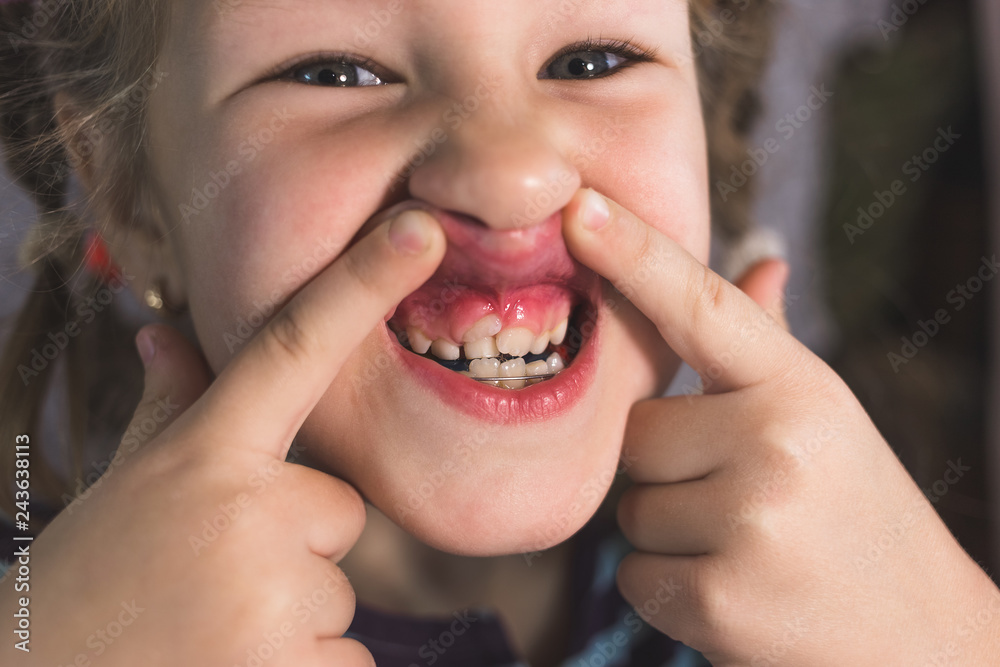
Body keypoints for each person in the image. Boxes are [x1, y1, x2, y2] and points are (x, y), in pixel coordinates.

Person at [0, 1, 998, 665]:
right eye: (338, 72)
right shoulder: (46, 615)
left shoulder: (879, 582)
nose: (510, 174)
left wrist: (950, 639)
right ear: (127, 198)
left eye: (593, 60)